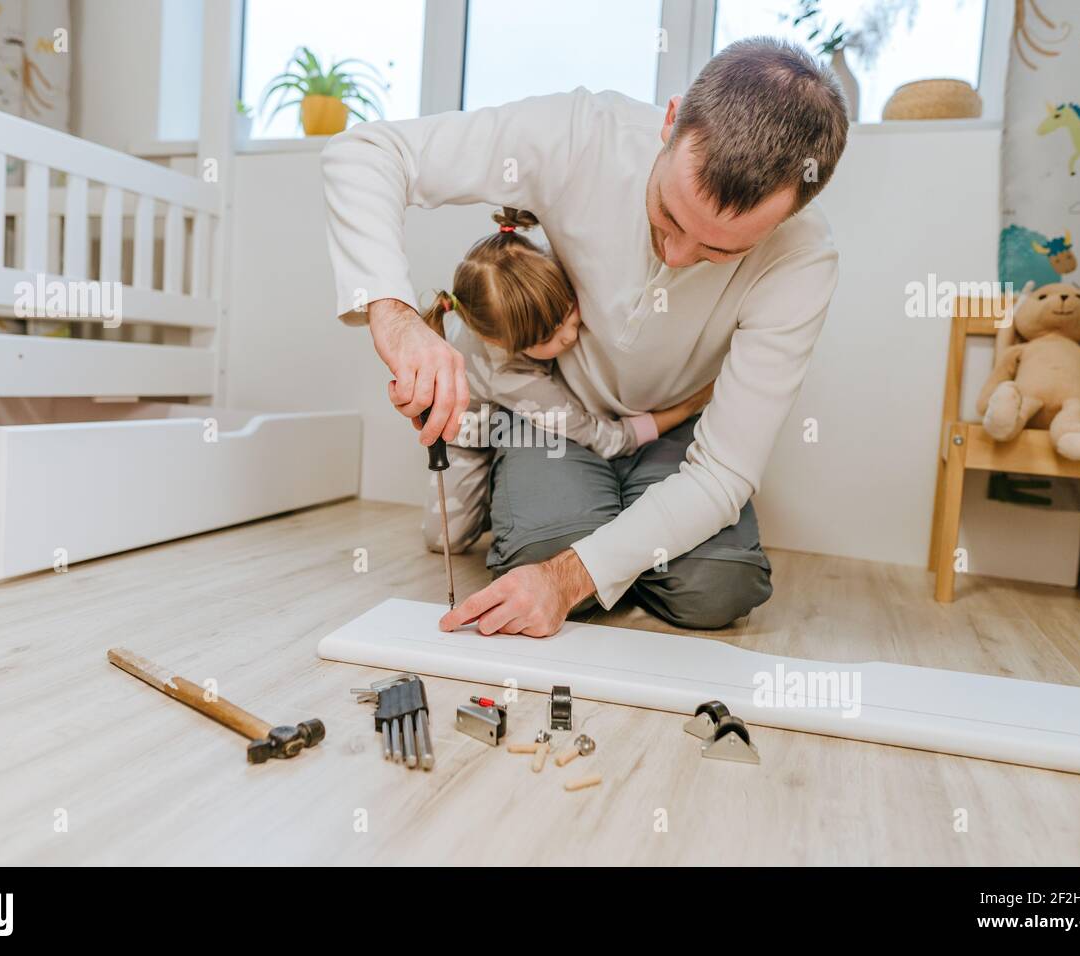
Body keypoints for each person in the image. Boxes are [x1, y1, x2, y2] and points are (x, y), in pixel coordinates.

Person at [322, 37, 849, 637]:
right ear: (671, 122)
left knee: (718, 587)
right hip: (557, 417)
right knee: (540, 547)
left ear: (789, 216)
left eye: (720, 252)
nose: (677, 256)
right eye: (668, 215)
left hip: (673, 431)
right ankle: (578, 510)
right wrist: (395, 319)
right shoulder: (579, 134)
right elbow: (365, 152)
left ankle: (609, 519)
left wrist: (568, 579)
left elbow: (723, 473)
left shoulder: (804, 259)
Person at [418, 206, 714, 555]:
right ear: (504, 343)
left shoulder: (545, 258)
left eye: (567, 312)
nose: (569, 334)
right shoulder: (509, 376)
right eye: (547, 337)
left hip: (522, 406)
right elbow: (597, 436)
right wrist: (683, 411)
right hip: (473, 434)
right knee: (444, 539)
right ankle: (501, 481)